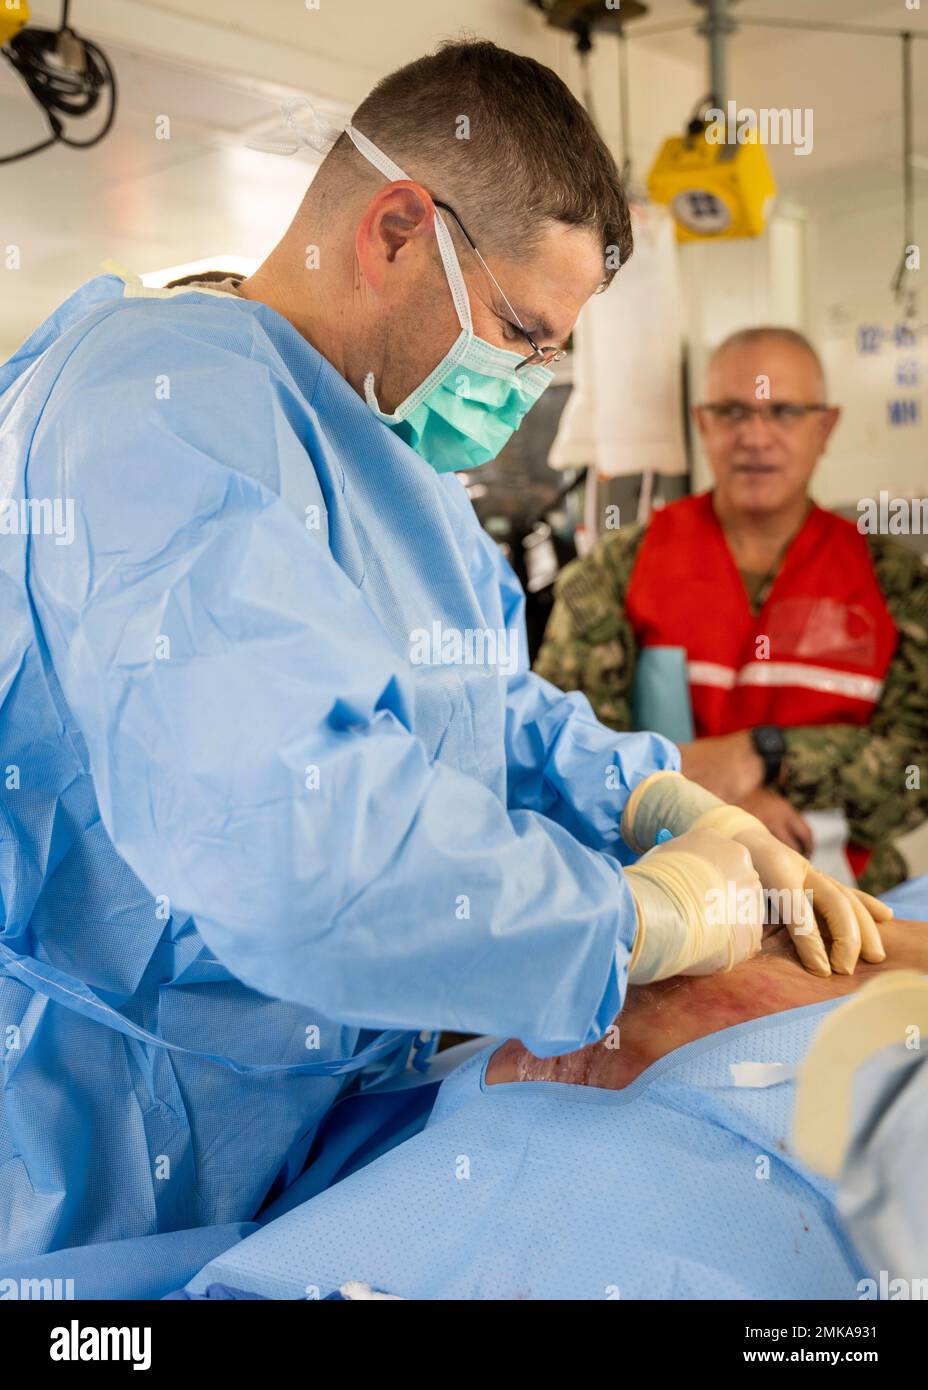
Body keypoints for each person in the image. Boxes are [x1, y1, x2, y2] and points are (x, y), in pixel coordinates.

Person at [0, 41, 886, 1266]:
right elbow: (291, 840)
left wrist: (645, 795)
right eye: (520, 333)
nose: (523, 387)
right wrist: (629, 927)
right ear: (400, 229)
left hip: (324, 1116)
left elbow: (478, 713)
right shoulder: (158, 410)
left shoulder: (388, 459)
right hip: (122, 1136)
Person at [536, 327, 928, 894]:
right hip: (664, 895)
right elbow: (571, 752)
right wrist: (720, 810)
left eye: (785, 412)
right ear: (702, 425)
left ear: (826, 426)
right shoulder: (617, 571)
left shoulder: (897, 586)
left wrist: (766, 756)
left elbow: (915, 768)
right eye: (732, 412)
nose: (756, 436)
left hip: (858, 896)